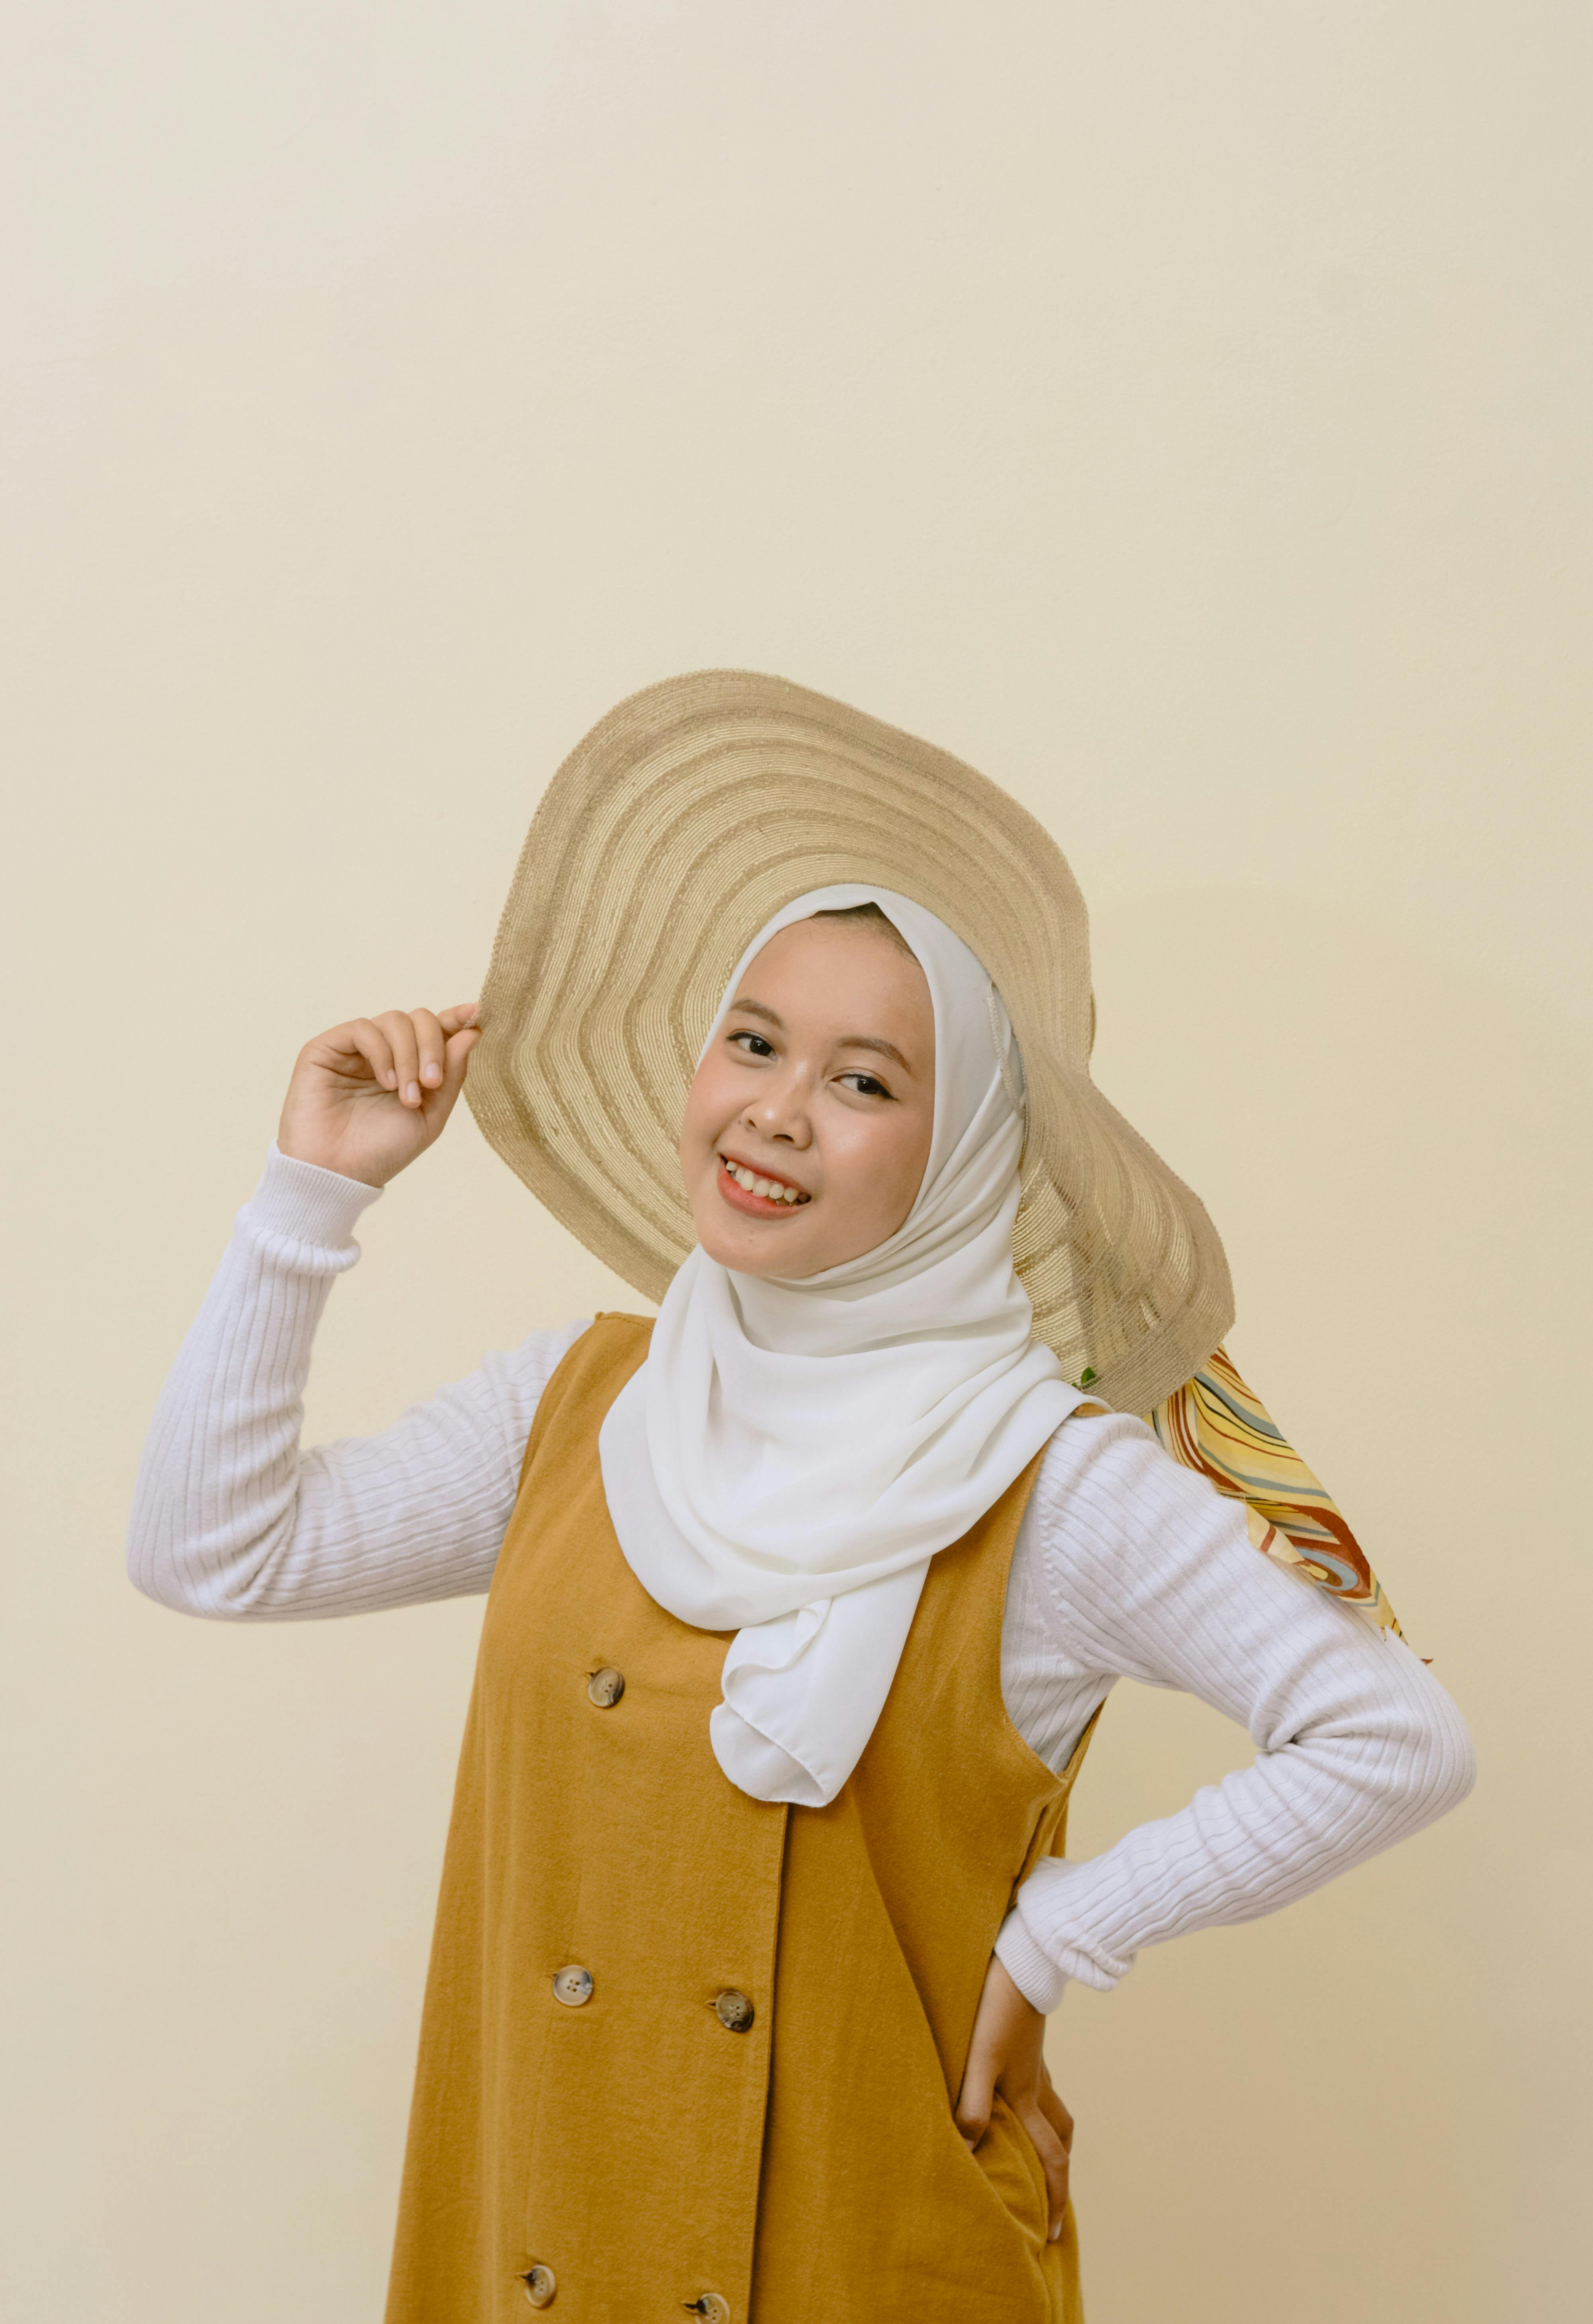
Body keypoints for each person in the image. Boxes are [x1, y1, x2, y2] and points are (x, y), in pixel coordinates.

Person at [129, 672, 1474, 2323]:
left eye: (864, 1080)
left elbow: (1396, 1734)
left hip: (869, 2255)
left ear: (963, 1147)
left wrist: (1063, 1933)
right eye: (753, 1044)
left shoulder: (1049, 1476)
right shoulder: (583, 1404)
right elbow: (214, 1547)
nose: (775, 1108)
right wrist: (310, 1191)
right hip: (546, 2230)